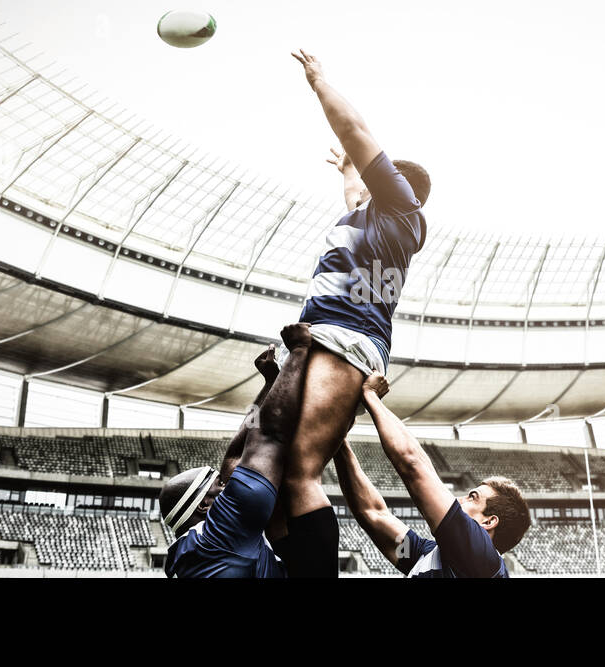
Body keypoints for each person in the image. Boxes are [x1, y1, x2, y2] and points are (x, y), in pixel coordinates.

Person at [277, 49, 433, 577]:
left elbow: (357, 128)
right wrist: (346, 170)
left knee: (299, 470)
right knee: (274, 464)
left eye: (371, 178)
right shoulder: (368, 216)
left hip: (345, 338)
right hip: (326, 336)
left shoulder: (402, 210)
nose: (362, 185)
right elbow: (353, 190)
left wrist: (319, 82)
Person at [333, 372, 531, 577]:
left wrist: (371, 395)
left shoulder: (482, 559)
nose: (458, 499)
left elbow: (413, 464)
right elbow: (373, 513)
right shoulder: (427, 554)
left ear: (488, 522)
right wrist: (338, 440)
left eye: (472, 497)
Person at [160, 323, 313, 578]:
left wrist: (269, 384)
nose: (226, 482)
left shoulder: (198, 546)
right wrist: (299, 352)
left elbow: (235, 454)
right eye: (217, 482)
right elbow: (268, 435)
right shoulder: (224, 528)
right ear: (204, 505)